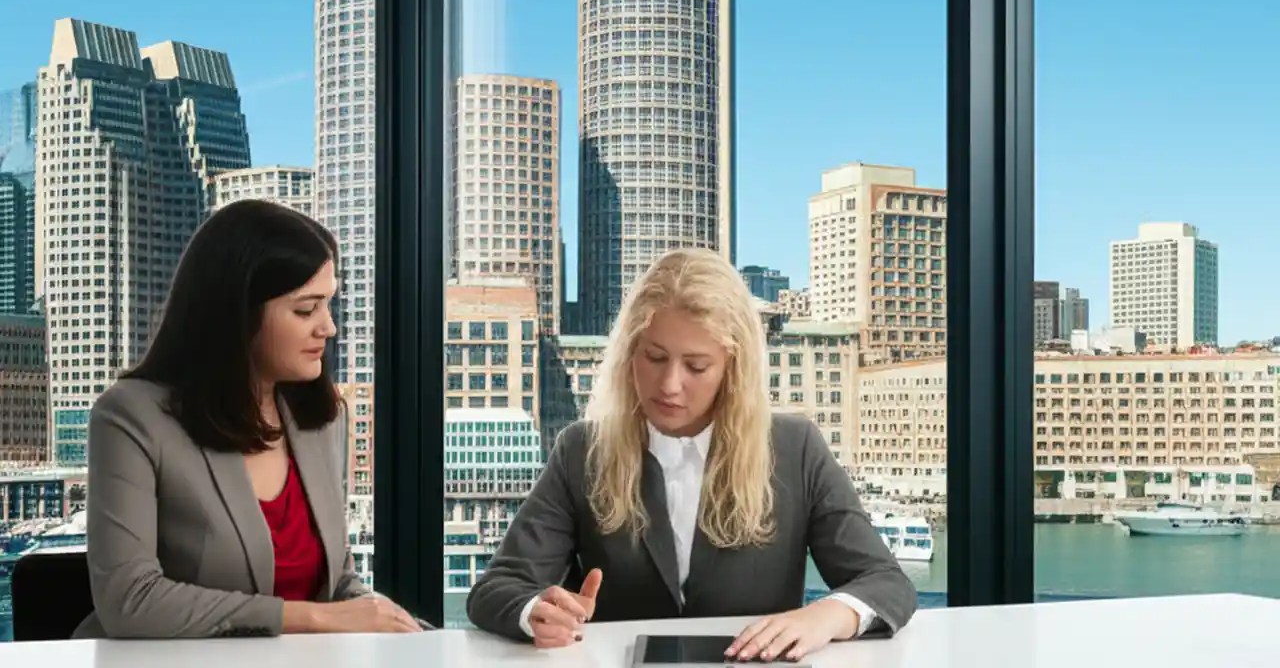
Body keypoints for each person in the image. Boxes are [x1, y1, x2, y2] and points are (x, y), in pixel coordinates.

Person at [466, 247, 917, 661]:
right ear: (629, 355)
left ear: (732, 369)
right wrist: (537, 612)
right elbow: (496, 589)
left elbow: (886, 582)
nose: (669, 386)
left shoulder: (796, 448)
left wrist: (825, 616)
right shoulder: (581, 450)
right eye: (655, 358)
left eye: (697, 366)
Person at [74, 199, 425, 639]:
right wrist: (309, 618)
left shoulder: (324, 418)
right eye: (305, 309)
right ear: (238, 314)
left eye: (328, 305)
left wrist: (405, 629)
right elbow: (131, 600)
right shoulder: (130, 416)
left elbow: (333, 584)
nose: (328, 327)